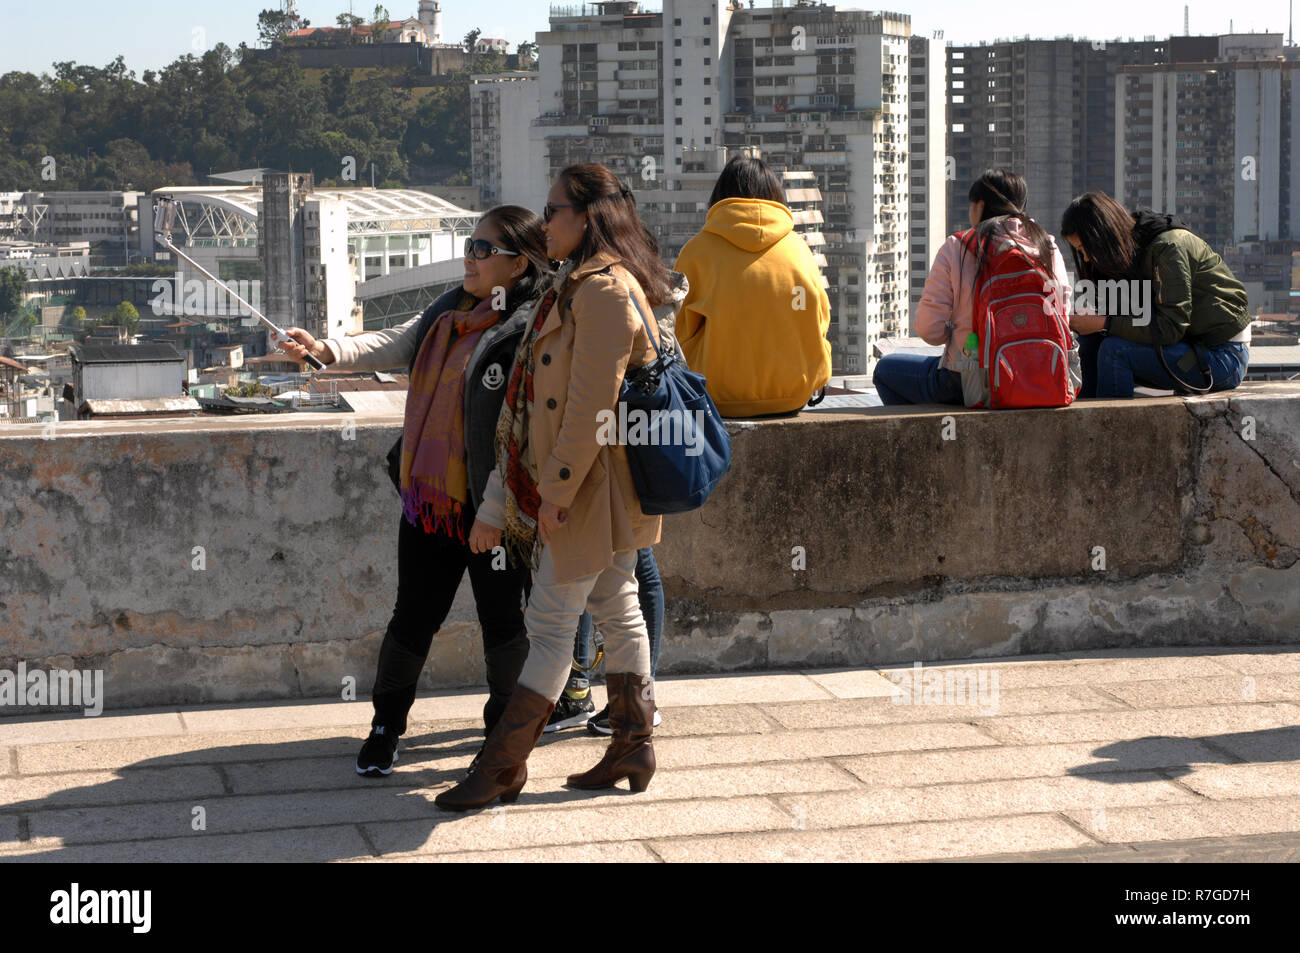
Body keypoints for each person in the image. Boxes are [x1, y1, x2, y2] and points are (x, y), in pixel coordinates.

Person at [278, 206, 552, 777]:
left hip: (492, 506)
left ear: (517, 263)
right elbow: (402, 342)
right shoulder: (451, 306)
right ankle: (385, 726)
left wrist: (496, 511)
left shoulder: (530, 328)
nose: (469, 258)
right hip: (430, 499)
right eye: (469, 245)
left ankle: (501, 735)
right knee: (413, 616)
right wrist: (327, 351)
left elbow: (525, 434)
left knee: (502, 620)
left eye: (483, 249)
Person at [435, 163, 671, 810]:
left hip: (588, 488)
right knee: (619, 606)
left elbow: (589, 408)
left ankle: (504, 765)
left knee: (547, 626)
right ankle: (633, 740)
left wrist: (555, 495)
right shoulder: (581, 283)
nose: (544, 223)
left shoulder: (602, 293)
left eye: (554, 210)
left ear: (587, 216)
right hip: (596, 485)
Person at [874, 169, 1076, 406]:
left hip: (969, 382)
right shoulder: (1047, 246)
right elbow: (1063, 311)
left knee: (885, 370)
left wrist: (958, 332)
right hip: (1044, 376)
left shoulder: (957, 247)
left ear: (979, 206)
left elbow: (929, 330)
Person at [673, 153, 831, 418]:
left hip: (715, 396)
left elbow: (677, 333)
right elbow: (819, 324)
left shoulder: (697, 252)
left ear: (720, 197)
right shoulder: (799, 250)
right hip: (794, 394)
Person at [1059, 192, 1251, 398]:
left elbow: (1170, 329)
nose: (1086, 258)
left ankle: (1112, 429)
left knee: (1115, 351)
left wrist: (1104, 323)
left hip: (1220, 356)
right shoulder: (1128, 251)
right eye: (1079, 251)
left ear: (1103, 237)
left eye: (1085, 249)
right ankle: (1087, 427)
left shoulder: (1168, 248)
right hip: (1186, 346)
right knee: (1089, 346)